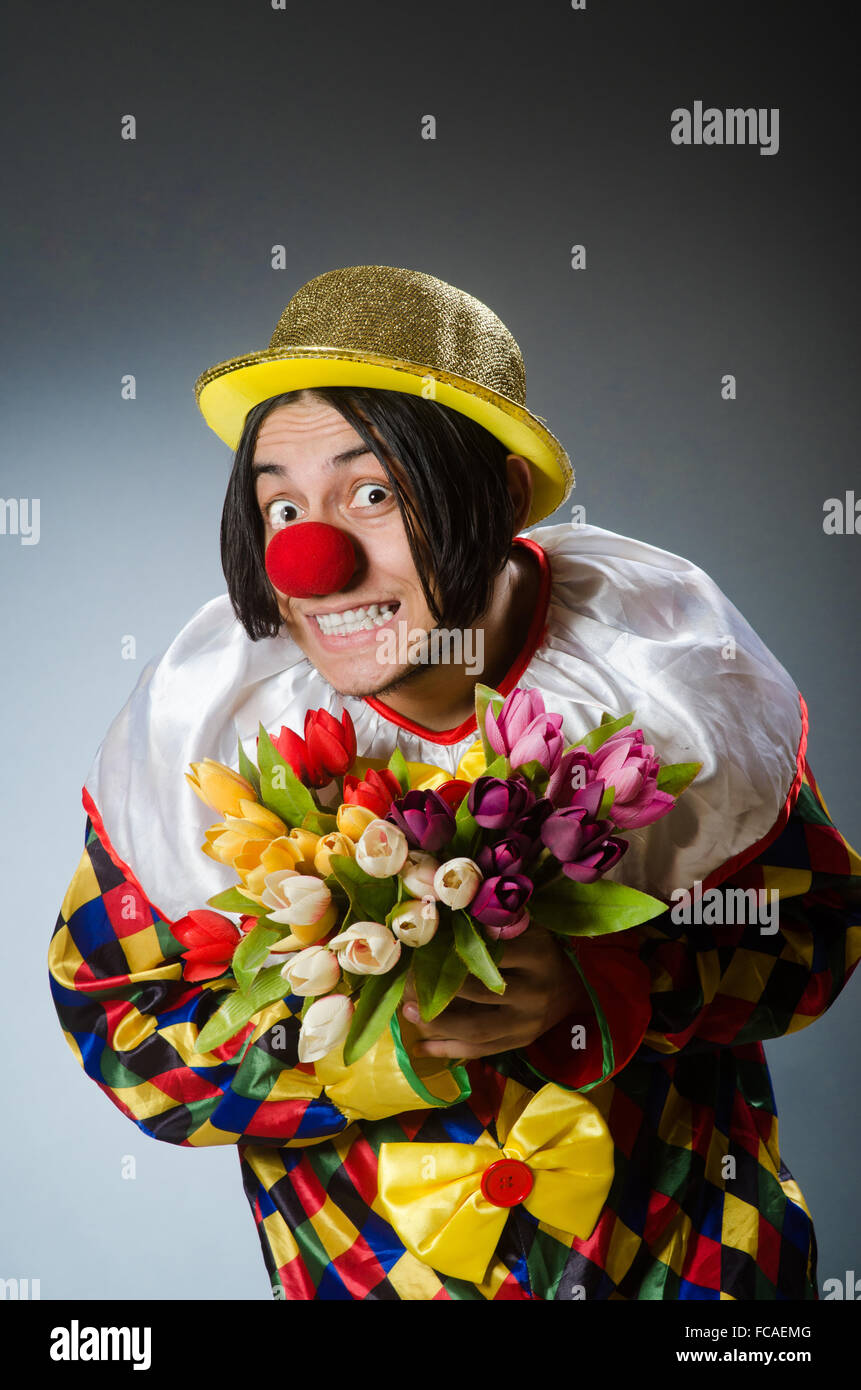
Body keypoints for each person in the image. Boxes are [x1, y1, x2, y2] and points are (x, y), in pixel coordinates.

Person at [49, 264, 861, 1301]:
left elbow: (819, 932)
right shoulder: (209, 728)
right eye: (282, 504)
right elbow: (120, 1029)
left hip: (695, 1271)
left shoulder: (662, 671)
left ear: (500, 493)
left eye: (373, 493)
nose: (309, 558)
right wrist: (357, 1045)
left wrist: (603, 993)